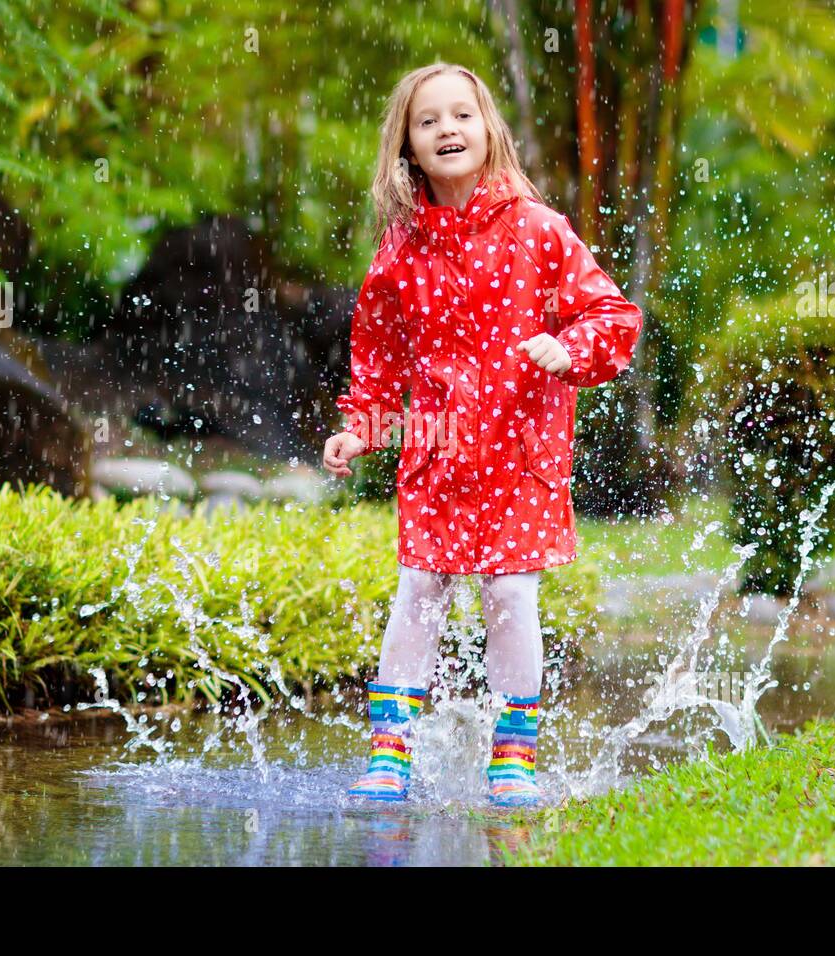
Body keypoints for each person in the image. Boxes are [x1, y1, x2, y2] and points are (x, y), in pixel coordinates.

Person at [323, 63, 643, 807]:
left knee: (510, 597)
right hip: (436, 455)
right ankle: (390, 749)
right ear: (406, 145)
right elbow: (379, 353)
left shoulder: (539, 229)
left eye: (461, 115)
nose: (448, 130)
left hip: (520, 455)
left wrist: (571, 349)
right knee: (419, 592)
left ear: (488, 128)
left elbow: (613, 317)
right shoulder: (400, 249)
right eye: (428, 121)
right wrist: (361, 428)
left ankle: (513, 751)